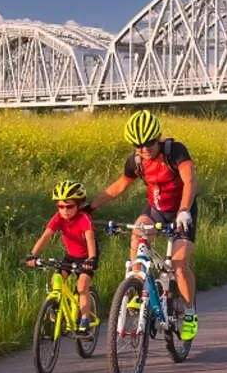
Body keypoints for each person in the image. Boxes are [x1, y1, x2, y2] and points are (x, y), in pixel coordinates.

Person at [85, 110, 200, 341]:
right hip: (156, 211)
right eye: (138, 146)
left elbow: (190, 180)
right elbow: (118, 187)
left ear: (158, 138)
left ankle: (189, 313)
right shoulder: (136, 161)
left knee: (178, 264)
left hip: (181, 212)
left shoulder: (174, 152)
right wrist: (90, 209)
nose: (144, 149)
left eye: (148, 143)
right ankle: (136, 285)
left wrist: (185, 210)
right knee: (138, 229)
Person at [27, 180, 101, 333]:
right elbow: (46, 236)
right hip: (71, 256)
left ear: (78, 205)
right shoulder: (58, 218)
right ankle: (59, 308)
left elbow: (90, 239)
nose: (65, 210)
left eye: (69, 206)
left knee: (82, 287)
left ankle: (85, 320)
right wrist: (33, 255)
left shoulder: (83, 219)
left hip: (87, 257)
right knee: (56, 280)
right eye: (61, 206)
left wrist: (92, 259)